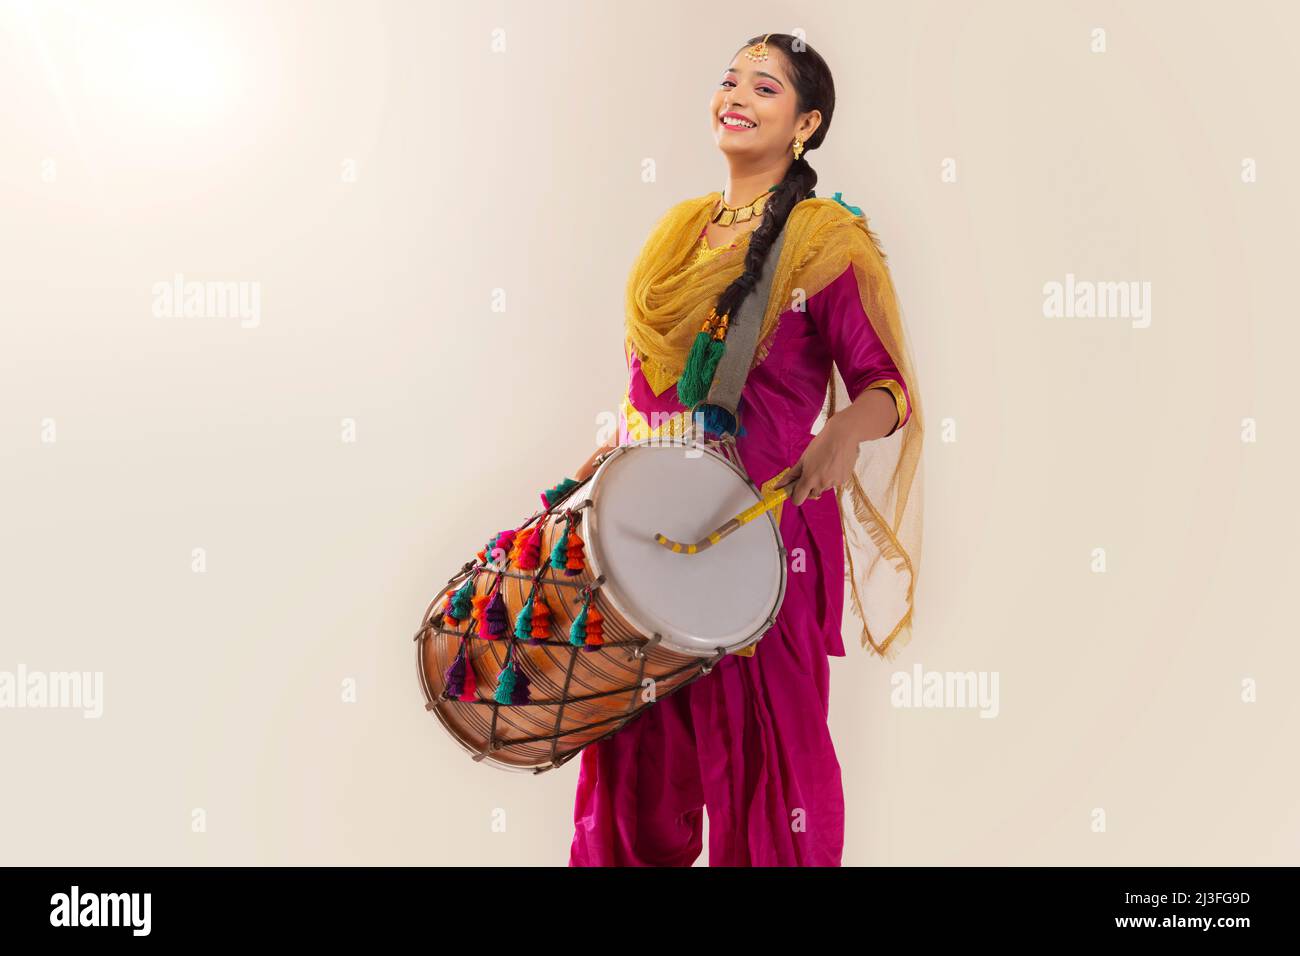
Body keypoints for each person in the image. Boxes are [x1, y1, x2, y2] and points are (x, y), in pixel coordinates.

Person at [567, 33, 925, 866]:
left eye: (765, 88)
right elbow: (647, 395)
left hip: (759, 543)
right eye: (730, 79)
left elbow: (888, 388)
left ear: (807, 123)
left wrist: (842, 431)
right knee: (634, 760)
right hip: (647, 542)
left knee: (766, 766)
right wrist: (604, 455)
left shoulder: (825, 240)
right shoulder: (678, 237)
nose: (736, 95)